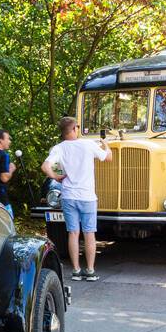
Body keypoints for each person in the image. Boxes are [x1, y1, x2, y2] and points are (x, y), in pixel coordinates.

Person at [42, 117, 110, 281]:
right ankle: (91, 270)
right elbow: (107, 157)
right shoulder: (88, 144)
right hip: (87, 196)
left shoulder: (59, 148)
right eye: (77, 127)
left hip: (68, 196)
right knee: (89, 233)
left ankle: (76, 270)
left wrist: (56, 177)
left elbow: (45, 166)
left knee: (72, 233)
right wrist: (106, 144)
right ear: (73, 129)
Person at [0, 129, 15, 217]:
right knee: (8, 217)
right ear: (1, 140)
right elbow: (4, 178)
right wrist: (11, 169)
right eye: (8, 139)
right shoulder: (4, 155)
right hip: (0, 193)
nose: (9, 141)